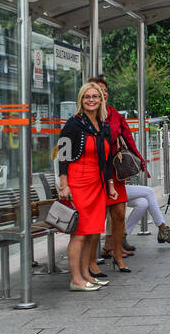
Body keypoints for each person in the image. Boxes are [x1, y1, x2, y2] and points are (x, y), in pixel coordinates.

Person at [56, 80, 118, 291]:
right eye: (87, 97)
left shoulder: (104, 126)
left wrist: (110, 185)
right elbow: (63, 156)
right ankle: (76, 279)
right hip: (79, 183)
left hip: (98, 184)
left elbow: (108, 161)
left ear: (101, 100)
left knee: (92, 233)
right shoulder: (73, 124)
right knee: (80, 233)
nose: (91, 100)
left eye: (95, 96)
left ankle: (85, 275)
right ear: (81, 101)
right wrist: (64, 185)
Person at [90, 76, 140, 271]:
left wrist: (137, 161)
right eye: (97, 90)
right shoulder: (85, 118)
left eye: (105, 90)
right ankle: (92, 261)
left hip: (114, 172)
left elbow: (127, 137)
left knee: (119, 214)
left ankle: (118, 255)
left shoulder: (114, 115)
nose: (102, 94)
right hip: (94, 174)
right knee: (96, 218)